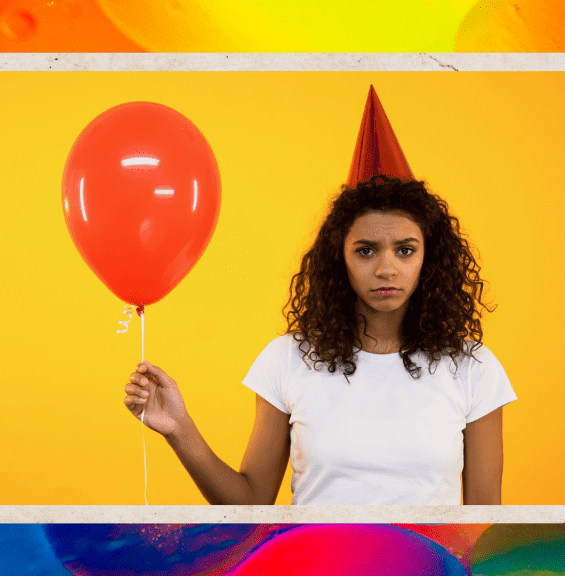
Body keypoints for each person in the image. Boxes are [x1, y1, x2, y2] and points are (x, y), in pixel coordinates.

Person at [123, 175, 517, 505]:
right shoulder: (288, 358)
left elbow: (483, 523)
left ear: (428, 259)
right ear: (338, 260)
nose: (385, 268)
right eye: (365, 251)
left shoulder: (472, 367)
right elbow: (250, 504)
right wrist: (180, 429)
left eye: (405, 251)